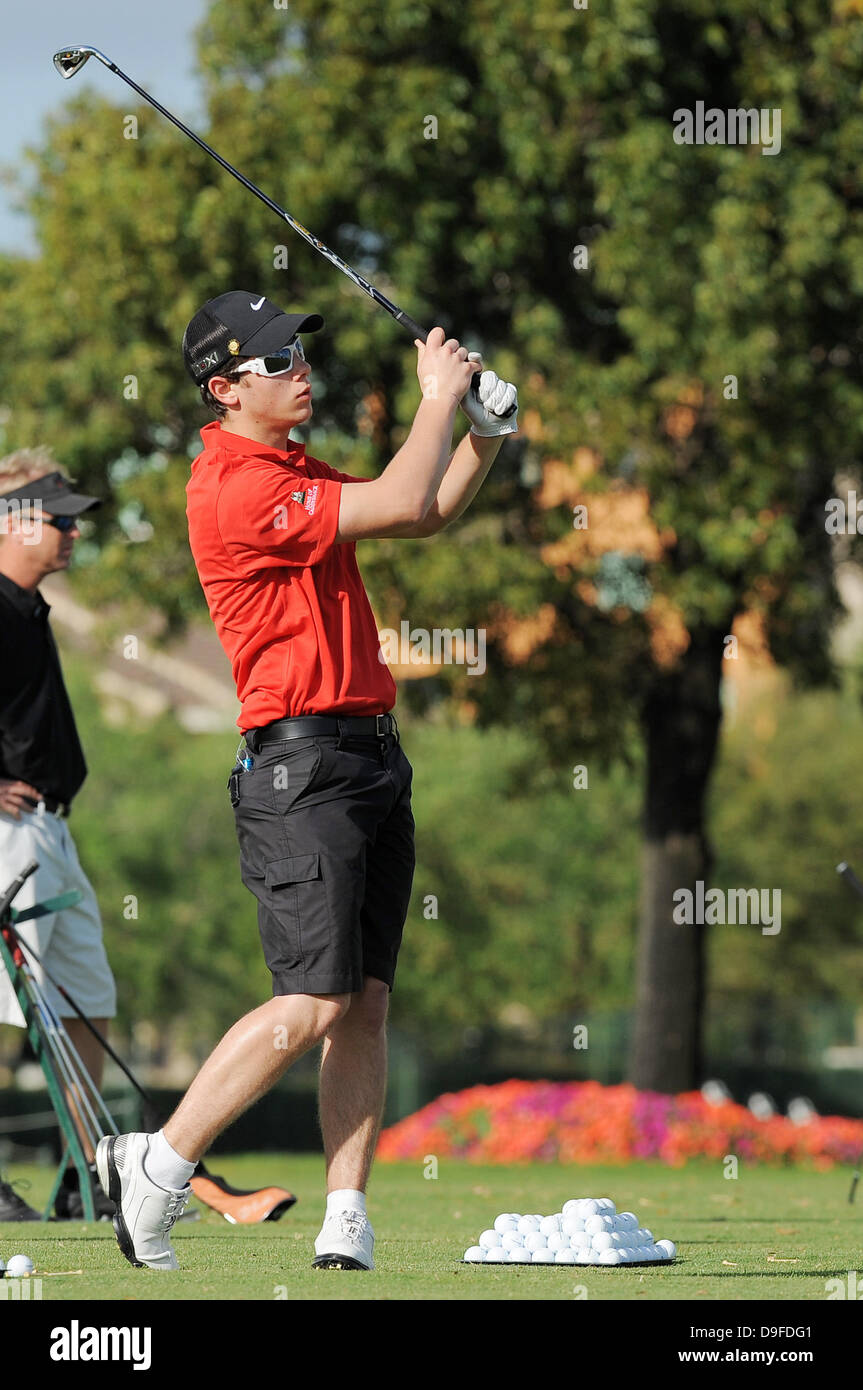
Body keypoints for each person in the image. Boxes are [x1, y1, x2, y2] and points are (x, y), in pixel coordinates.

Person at [98, 291, 517, 1272]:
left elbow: (424, 513)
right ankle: (158, 1163)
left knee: (363, 1001)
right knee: (314, 1001)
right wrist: (436, 395)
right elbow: (403, 498)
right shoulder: (234, 486)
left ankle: (344, 1217)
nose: (301, 370)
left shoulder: (289, 468)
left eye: (298, 353)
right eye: (278, 360)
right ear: (224, 389)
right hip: (301, 770)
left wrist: (482, 435)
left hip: (368, 757)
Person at [0, 450, 117, 1221]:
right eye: (59, 519)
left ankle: (85, 1176)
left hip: (50, 830)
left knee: (86, 997)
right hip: (6, 830)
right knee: (0, 1007)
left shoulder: (28, 608)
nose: (73, 532)